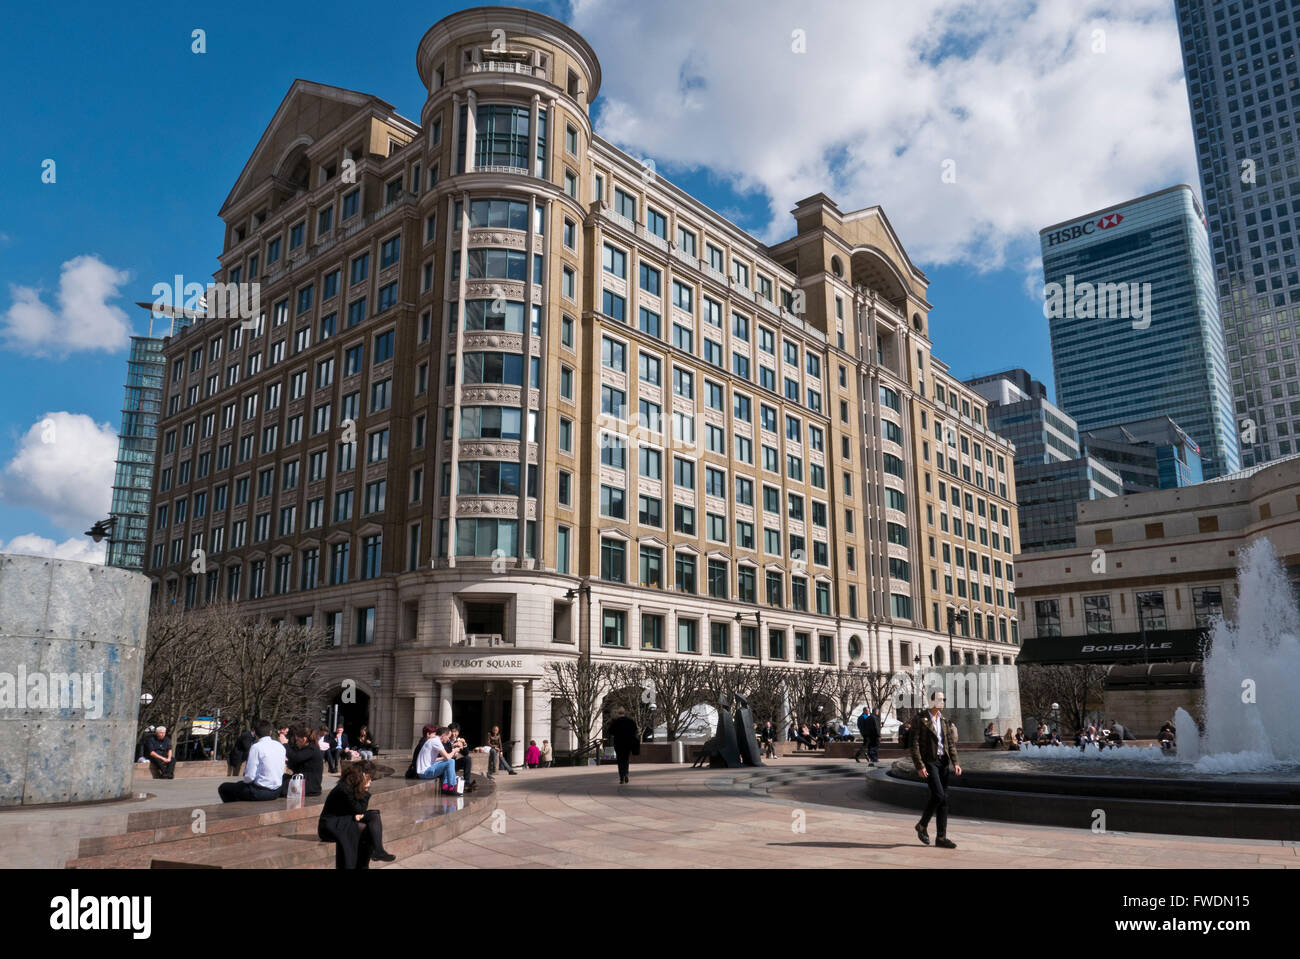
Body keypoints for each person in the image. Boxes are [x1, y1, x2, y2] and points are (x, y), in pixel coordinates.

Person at [317, 759, 396, 869]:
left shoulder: (352, 785)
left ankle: (378, 850)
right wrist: (366, 791)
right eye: (369, 777)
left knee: (374, 815)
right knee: (363, 827)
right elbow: (360, 810)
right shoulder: (344, 788)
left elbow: (358, 811)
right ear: (363, 775)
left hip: (345, 818)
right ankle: (362, 864)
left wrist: (355, 815)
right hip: (329, 824)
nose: (371, 780)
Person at [909, 691, 961, 849]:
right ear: (931, 701)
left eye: (944, 699)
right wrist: (920, 765)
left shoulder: (944, 721)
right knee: (938, 795)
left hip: (943, 762)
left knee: (944, 799)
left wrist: (956, 762)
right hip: (930, 762)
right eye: (940, 699)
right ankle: (922, 824)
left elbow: (950, 744)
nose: (943, 702)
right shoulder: (920, 719)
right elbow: (914, 744)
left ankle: (941, 837)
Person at [218, 719, 286, 802]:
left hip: (260, 791)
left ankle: (234, 812)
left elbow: (249, 777)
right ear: (270, 732)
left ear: (255, 733)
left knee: (224, 788)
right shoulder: (280, 746)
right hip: (277, 791)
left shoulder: (256, 747)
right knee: (239, 786)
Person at [281, 724, 325, 797]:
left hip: (310, 786)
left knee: (280, 788)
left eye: (298, 740)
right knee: (281, 778)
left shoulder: (312, 749)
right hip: (303, 781)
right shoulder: (307, 749)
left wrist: (285, 744)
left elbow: (296, 757)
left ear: (304, 739)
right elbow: (295, 764)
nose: (296, 742)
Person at [415, 725, 461, 793]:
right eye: (448, 737)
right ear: (443, 735)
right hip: (424, 773)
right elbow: (448, 757)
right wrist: (454, 751)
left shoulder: (432, 740)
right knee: (451, 761)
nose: (448, 739)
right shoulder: (436, 742)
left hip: (423, 771)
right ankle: (452, 787)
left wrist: (443, 759)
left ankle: (445, 786)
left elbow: (434, 759)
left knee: (447, 761)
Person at [608, 708, 639, 784]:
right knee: (626, 759)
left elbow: (610, 731)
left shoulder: (615, 722)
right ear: (624, 713)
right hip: (628, 743)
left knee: (620, 760)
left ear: (618, 714)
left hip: (618, 743)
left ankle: (621, 777)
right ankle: (626, 773)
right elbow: (635, 730)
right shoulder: (630, 721)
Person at [446, 723, 478, 792]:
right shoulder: (445, 740)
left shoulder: (458, 740)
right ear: (449, 731)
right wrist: (454, 746)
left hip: (453, 764)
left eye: (456, 732)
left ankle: (466, 783)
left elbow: (466, 753)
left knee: (467, 759)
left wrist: (464, 744)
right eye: (452, 731)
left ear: (458, 732)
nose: (454, 734)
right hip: (446, 764)